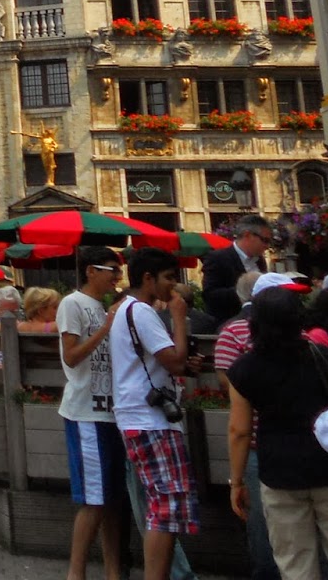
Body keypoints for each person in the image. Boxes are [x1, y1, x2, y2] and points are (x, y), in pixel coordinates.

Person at [226, 280, 328, 580]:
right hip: (326, 464)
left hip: (279, 473)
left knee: (295, 563)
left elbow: (239, 431)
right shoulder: (322, 355)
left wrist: (236, 482)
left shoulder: (245, 369)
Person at [111, 248, 203, 580]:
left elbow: (167, 362)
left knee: (162, 505)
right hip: (150, 420)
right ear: (148, 278)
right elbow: (174, 361)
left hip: (138, 416)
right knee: (166, 506)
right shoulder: (143, 311)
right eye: (168, 277)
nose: (174, 286)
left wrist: (183, 363)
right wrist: (179, 317)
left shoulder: (126, 309)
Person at [56, 247, 125, 580]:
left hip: (112, 411)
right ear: (90, 271)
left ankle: (114, 571)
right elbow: (71, 356)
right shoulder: (73, 304)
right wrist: (105, 329)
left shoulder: (104, 307)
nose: (117, 276)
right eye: (111, 269)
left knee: (111, 500)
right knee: (94, 499)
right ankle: (76, 572)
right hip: (87, 411)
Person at [216, 271, 291, 580]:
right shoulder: (234, 333)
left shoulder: (307, 339)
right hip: (264, 447)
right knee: (264, 529)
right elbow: (231, 388)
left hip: (278, 445)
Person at [204, 214, 273, 324]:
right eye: (265, 240)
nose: (267, 246)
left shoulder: (260, 260)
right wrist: (245, 289)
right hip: (228, 324)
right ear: (247, 235)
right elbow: (210, 295)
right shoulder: (218, 258)